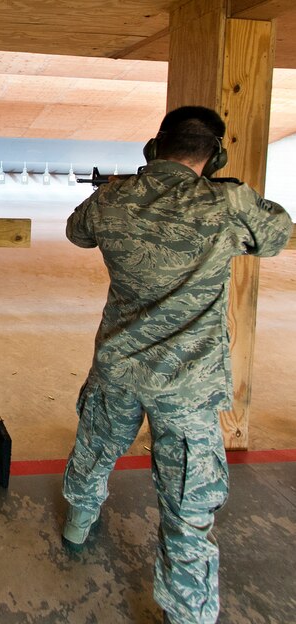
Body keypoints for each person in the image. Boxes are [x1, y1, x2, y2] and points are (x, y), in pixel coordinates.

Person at [60, 106, 292, 623]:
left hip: (119, 367)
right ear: (217, 155)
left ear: (154, 147)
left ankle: (78, 522)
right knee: (188, 499)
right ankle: (186, 611)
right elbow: (276, 234)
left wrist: (120, 192)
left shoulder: (113, 198)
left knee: (96, 447)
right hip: (188, 383)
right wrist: (232, 194)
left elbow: (78, 232)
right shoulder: (227, 202)